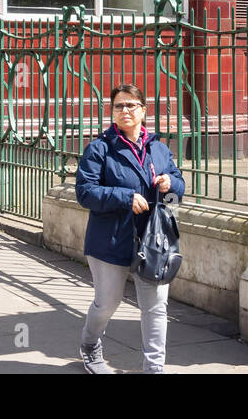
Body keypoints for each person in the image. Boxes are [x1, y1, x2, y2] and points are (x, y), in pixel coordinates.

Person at [75, 84, 185, 374]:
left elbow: (179, 188)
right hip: (110, 240)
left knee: (155, 307)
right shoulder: (100, 148)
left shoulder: (159, 149)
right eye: (119, 106)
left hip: (152, 242)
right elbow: (85, 192)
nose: (125, 111)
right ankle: (89, 344)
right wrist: (124, 198)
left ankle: (154, 368)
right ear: (112, 112)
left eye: (131, 105)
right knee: (107, 303)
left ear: (143, 111)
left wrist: (171, 184)